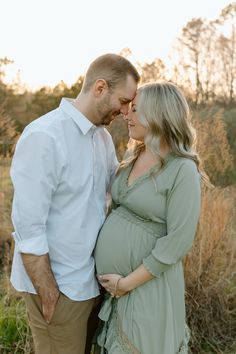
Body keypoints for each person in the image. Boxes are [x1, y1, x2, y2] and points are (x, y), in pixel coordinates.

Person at [10, 53, 140, 354]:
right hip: (60, 287)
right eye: (123, 101)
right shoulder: (45, 136)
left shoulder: (102, 138)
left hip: (90, 282)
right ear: (100, 88)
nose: (125, 111)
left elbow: (117, 192)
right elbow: (28, 226)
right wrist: (49, 292)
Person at [94, 82, 202, 354]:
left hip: (148, 286)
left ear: (158, 115)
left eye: (135, 110)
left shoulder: (182, 170)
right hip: (116, 289)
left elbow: (178, 242)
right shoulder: (134, 155)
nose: (127, 115)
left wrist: (126, 284)